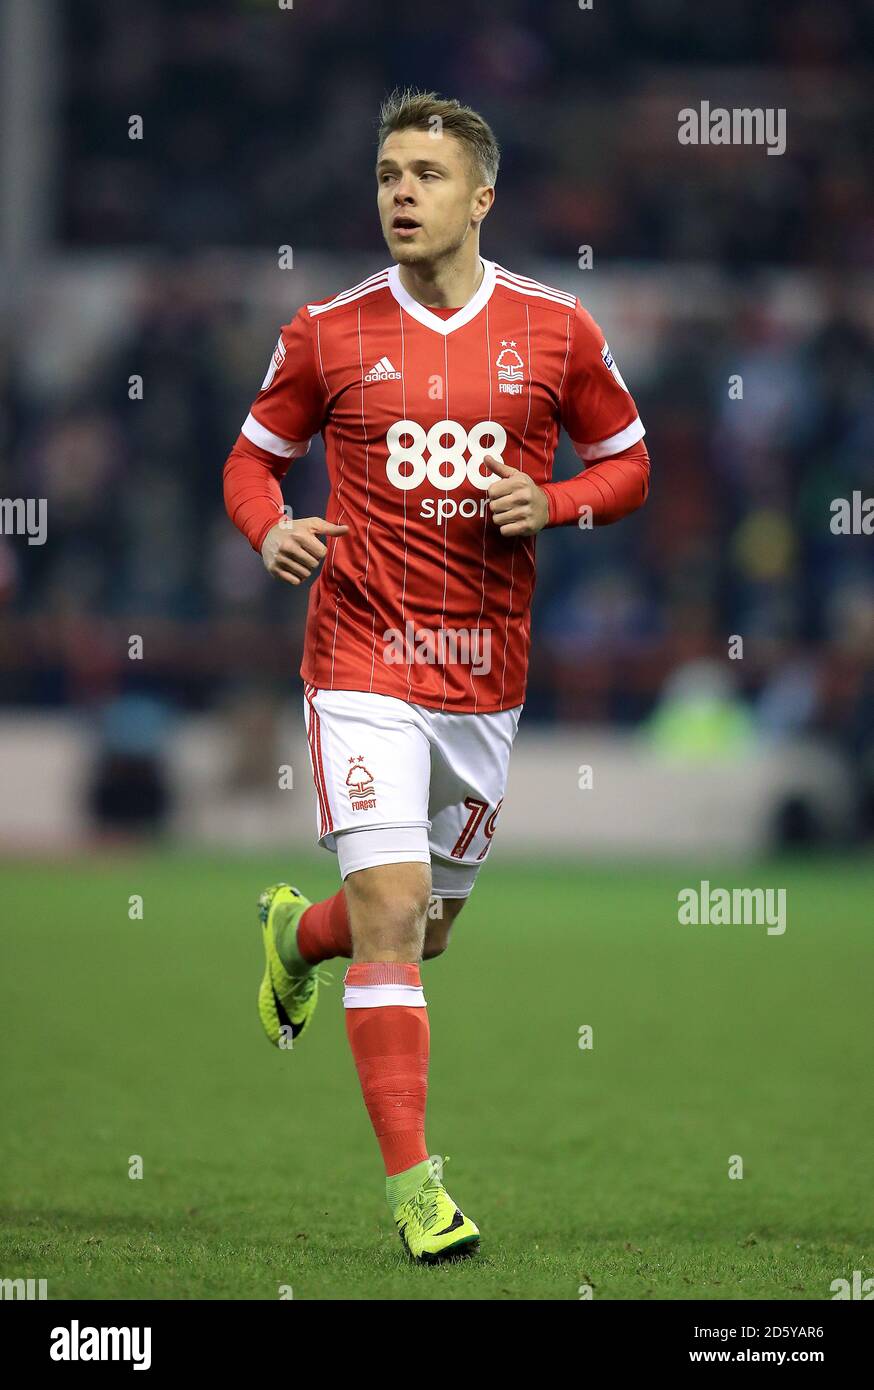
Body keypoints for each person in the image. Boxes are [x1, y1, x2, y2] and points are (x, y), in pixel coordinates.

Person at [223, 88, 650, 1262]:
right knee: (399, 915)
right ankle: (419, 1191)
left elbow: (627, 464)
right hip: (360, 657)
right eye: (385, 175)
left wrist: (556, 501)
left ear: (482, 196)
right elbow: (252, 461)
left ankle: (293, 940)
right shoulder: (327, 329)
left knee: (424, 928)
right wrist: (270, 531)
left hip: (482, 673)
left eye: (424, 174)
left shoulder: (557, 330)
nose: (399, 193)